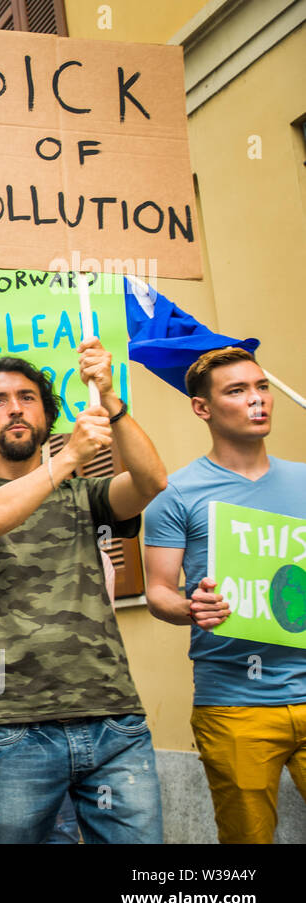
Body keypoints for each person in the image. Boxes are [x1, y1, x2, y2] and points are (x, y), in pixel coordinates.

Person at [0, 340, 169, 843]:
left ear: (46, 414)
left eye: (27, 397)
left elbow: (150, 483)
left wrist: (111, 398)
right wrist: (65, 460)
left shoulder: (86, 494)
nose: (15, 407)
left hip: (114, 720)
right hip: (16, 725)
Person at [143, 347, 306, 843]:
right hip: (233, 704)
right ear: (202, 408)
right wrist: (192, 607)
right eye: (237, 391)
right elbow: (156, 593)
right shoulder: (175, 493)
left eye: (261, 387)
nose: (257, 400)